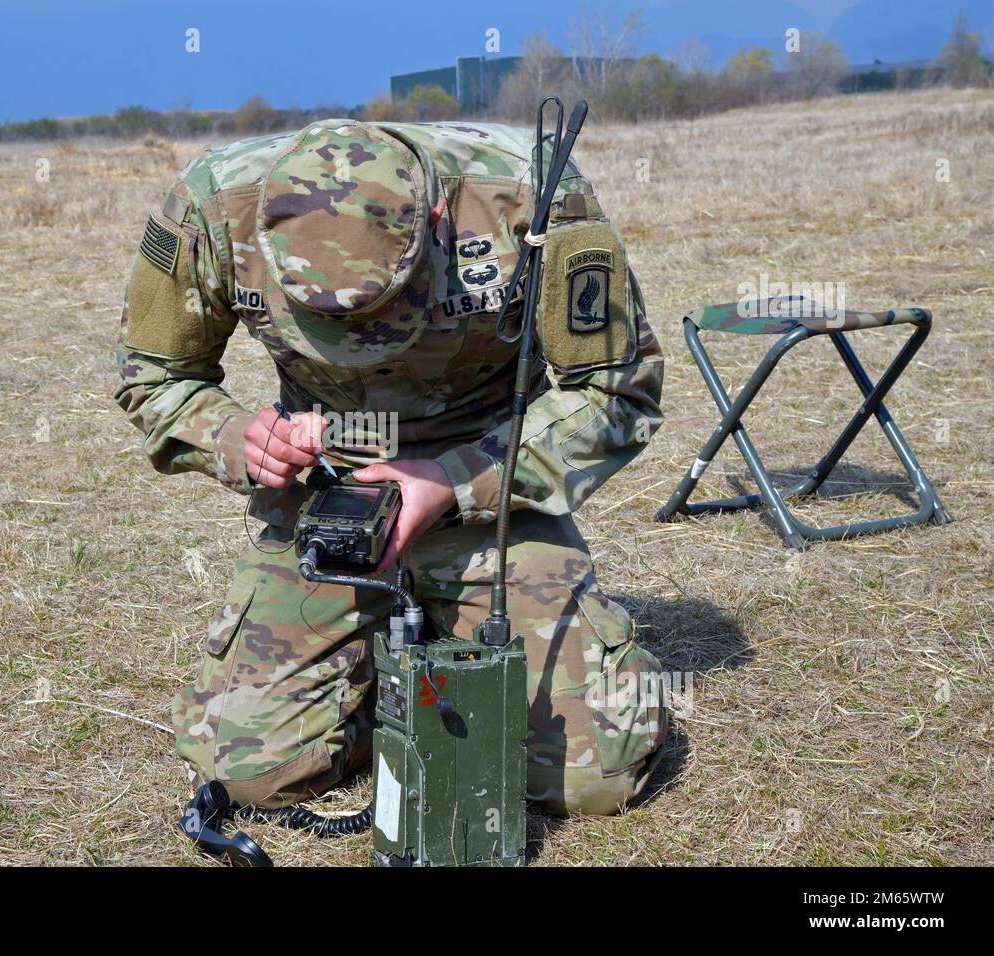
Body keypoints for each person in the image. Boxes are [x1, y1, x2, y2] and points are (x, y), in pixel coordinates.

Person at [114, 117, 667, 816]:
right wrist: (238, 439)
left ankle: (456, 635)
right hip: (334, 496)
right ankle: (396, 659)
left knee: (590, 778)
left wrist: (453, 484)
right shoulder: (215, 205)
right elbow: (155, 375)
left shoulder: (530, 194)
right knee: (247, 771)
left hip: (485, 488)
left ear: (436, 220)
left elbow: (619, 390)